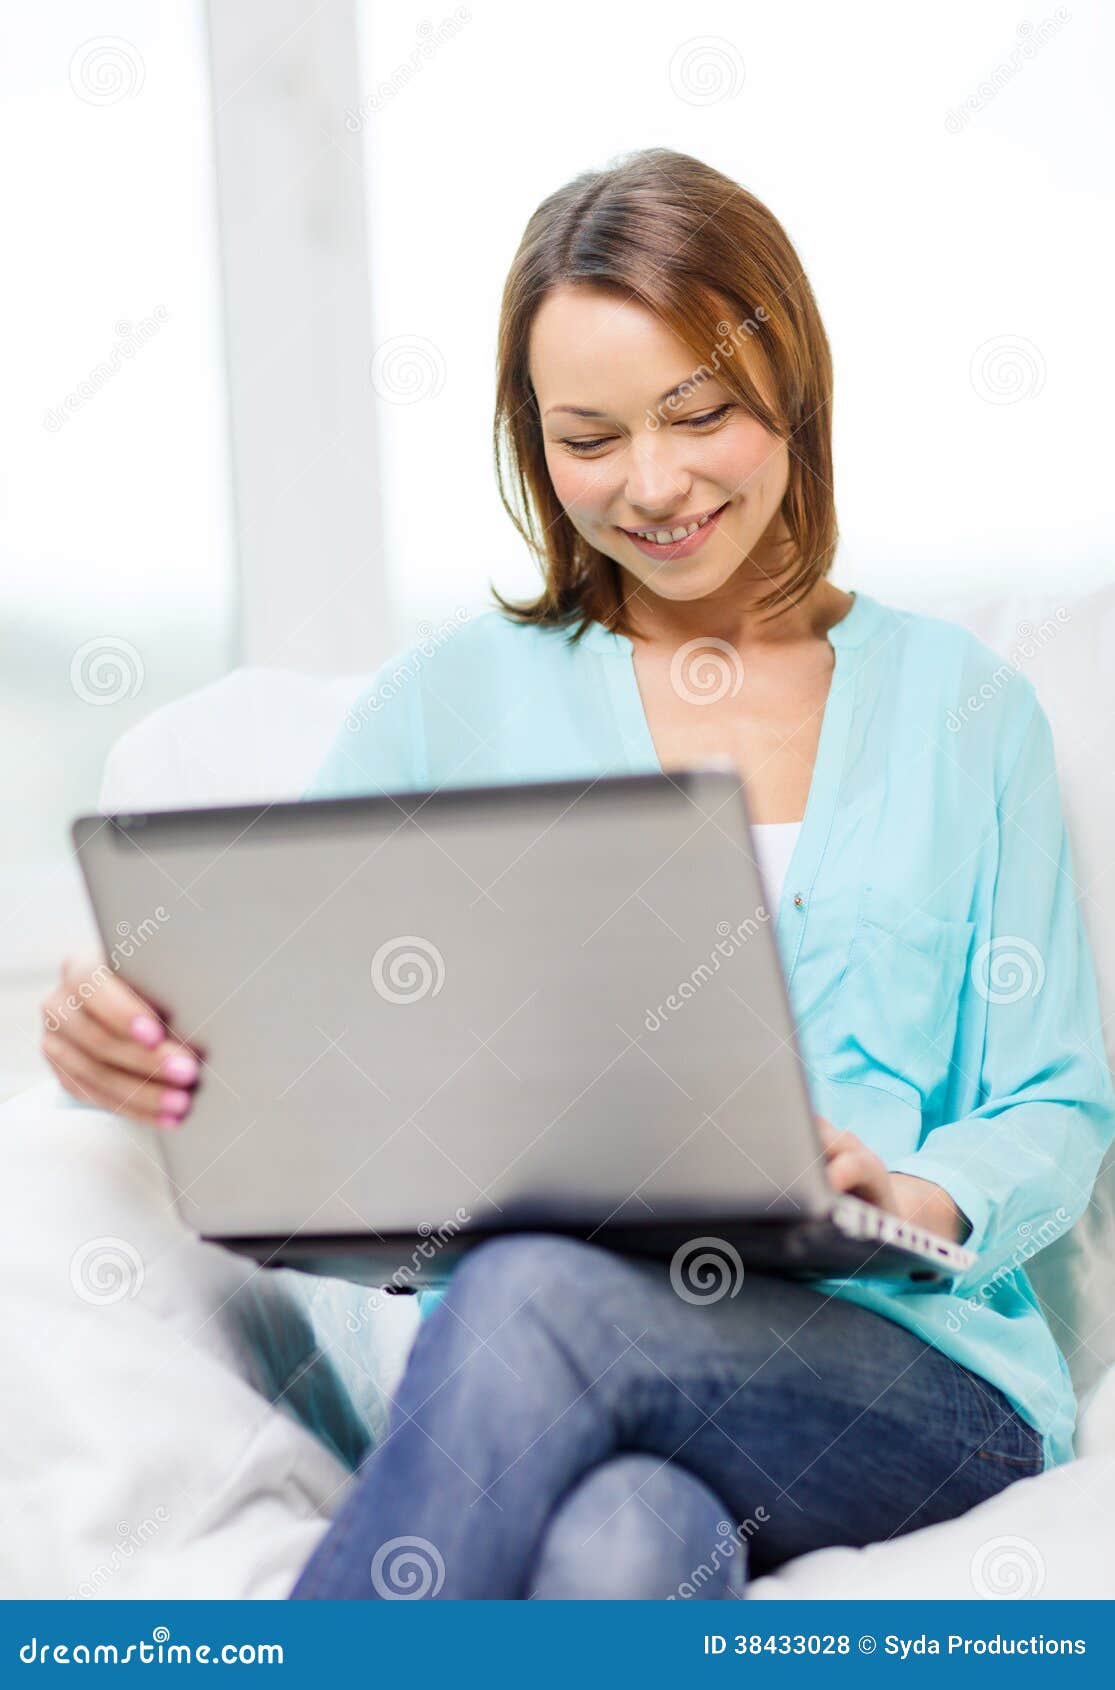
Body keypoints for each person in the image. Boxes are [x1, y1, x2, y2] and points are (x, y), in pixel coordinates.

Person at [42, 149, 1114, 1600]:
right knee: (620, 1546)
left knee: (535, 1295)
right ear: (529, 442)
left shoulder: (964, 706)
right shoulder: (444, 707)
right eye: (588, 436)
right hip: (569, 1377)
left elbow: (1055, 1097)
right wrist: (141, 1031)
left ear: (790, 389)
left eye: (699, 414)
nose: (653, 484)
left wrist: (908, 1188)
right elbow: (310, 1033)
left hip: (907, 1382)